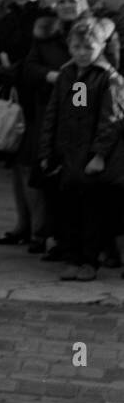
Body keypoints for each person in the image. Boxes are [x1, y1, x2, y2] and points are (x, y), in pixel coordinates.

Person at [21, 0, 118, 263]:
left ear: (83, 2)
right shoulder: (46, 31)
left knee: (89, 192)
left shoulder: (101, 33)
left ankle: (92, 250)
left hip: (90, 120)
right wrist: (51, 76)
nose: (65, 6)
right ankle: (61, 241)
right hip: (56, 114)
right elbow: (29, 67)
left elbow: (109, 71)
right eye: (61, 1)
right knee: (57, 184)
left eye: (71, 1)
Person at [38, 17, 124, 280]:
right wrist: (46, 151)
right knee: (69, 209)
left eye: (88, 48)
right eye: (76, 47)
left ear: (101, 47)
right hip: (68, 153)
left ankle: (89, 260)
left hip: (91, 156)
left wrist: (98, 155)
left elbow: (110, 120)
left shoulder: (107, 78)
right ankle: (72, 256)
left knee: (92, 212)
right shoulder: (68, 74)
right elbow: (55, 112)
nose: (82, 53)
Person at [0, 0, 46, 246]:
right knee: (17, 163)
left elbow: (45, 55)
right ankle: (23, 224)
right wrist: (2, 69)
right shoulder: (7, 18)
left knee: (30, 164)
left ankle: (37, 228)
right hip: (16, 96)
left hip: (39, 98)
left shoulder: (47, 18)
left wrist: (18, 68)